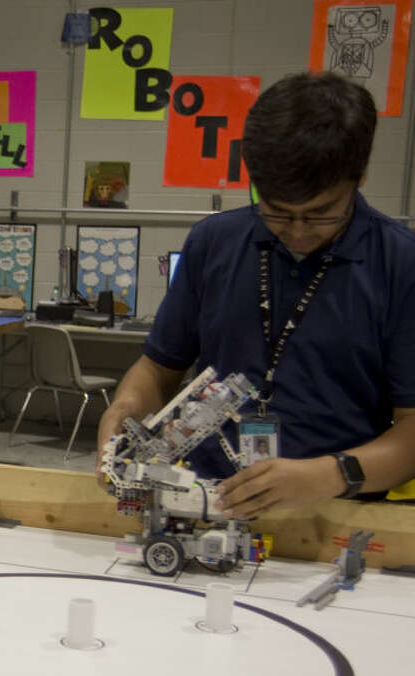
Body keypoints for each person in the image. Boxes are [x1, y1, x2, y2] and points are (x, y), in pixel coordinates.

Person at [97, 71, 415, 519]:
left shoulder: (400, 263)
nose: (297, 232)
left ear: (359, 177)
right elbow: (157, 368)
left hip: (335, 512)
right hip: (204, 499)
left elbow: (411, 428)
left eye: (321, 214)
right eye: (277, 211)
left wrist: (327, 475)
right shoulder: (213, 242)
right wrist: (123, 415)